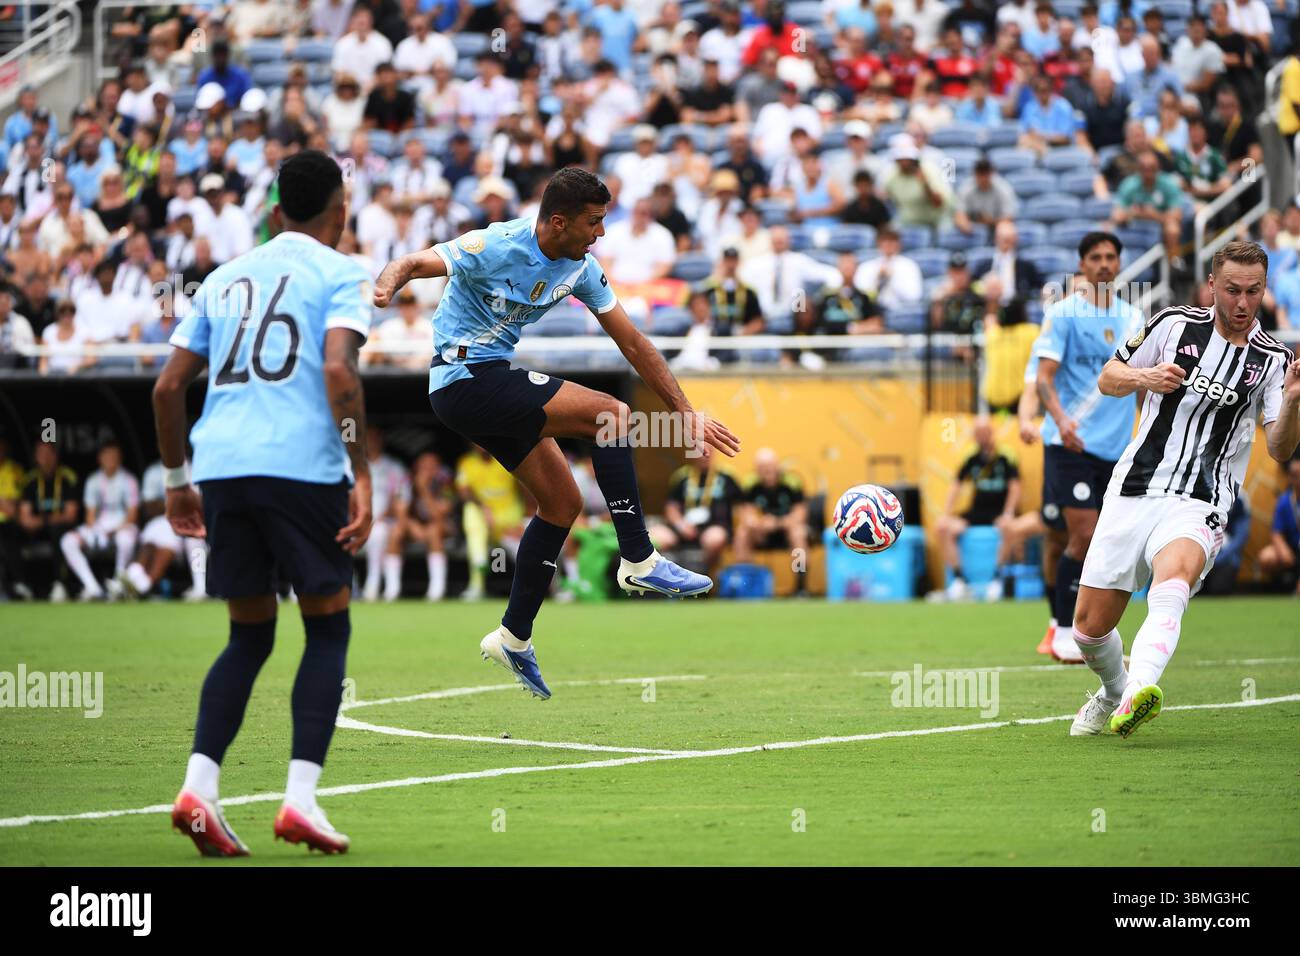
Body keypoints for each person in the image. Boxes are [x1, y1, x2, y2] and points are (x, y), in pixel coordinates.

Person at [371, 167, 739, 701]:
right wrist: (388, 284)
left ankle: (512, 637)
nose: (602, 234)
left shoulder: (581, 268)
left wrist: (683, 410)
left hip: (484, 385)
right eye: (594, 223)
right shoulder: (496, 243)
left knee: (562, 503)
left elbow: (634, 344)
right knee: (611, 414)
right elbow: (413, 261)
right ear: (559, 221)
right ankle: (638, 559)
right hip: (465, 378)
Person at [154, 150, 375, 856]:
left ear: (275, 211)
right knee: (328, 630)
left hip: (221, 468)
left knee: (248, 635)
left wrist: (174, 481)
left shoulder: (222, 277)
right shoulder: (343, 272)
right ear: (340, 211)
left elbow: (166, 388)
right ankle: (301, 801)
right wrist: (361, 469)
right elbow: (338, 369)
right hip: (302, 467)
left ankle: (198, 789)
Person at [1068, 241, 1299, 737]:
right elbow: (1109, 378)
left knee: (1172, 580)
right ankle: (1114, 690)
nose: (1242, 302)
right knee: (1087, 629)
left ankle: (1139, 693)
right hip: (1134, 487)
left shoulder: (1273, 360)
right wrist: (1144, 376)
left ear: (1264, 291)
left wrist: (1295, 402)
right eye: (1232, 290)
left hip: (1201, 498)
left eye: (1253, 291)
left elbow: (1280, 448)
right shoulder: (1172, 324)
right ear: (1212, 286)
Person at [1034, 232, 1145, 663]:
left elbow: (1141, 382)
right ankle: (1063, 629)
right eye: (1095, 257)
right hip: (1070, 444)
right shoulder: (1063, 314)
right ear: (1082, 264)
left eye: (1110, 257)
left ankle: (1094, 630)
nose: (1103, 264)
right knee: (1081, 534)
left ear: (1119, 263)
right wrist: (1061, 422)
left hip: (1116, 448)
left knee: (1105, 541)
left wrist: (1146, 433)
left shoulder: (1134, 319)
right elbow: (1044, 377)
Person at [933, 418, 1022, 602]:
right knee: (942, 528)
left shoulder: (1006, 455)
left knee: (1009, 528)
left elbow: (1015, 486)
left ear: (992, 433)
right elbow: (956, 485)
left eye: (985, 432)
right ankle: (959, 581)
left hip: (998, 512)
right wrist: (946, 514)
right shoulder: (971, 456)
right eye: (977, 433)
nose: (981, 437)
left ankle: (996, 581)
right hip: (976, 511)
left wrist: (1008, 513)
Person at [58, 441, 139, 601]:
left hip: (122, 527)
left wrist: (113, 531)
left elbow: (132, 516)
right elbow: (90, 515)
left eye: (114, 456)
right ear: (100, 458)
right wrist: (96, 531)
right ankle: (92, 586)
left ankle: (118, 584)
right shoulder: (93, 480)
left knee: (125, 539)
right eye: (107, 456)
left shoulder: (129, 480)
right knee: (68, 541)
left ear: (120, 458)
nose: (110, 459)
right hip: (99, 528)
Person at [119, 459, 207, 601]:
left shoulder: (194, 469)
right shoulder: (154, 471)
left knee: (193, 540)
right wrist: (176, 504)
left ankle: (200, 586)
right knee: (152, 539)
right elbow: (149, 506)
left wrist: (172, 504)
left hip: (191, 522)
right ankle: (137, 578)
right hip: (163, 520)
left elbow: (198, 504)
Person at [653, 453, 746, 575]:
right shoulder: (682, 476)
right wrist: (680, 524)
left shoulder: (726, 475)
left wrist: (740, 528)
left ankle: (704, 577)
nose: (704, 456)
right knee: (655, 536)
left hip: (713, 528)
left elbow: (743, 505)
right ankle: (665, 579)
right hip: (684, 528)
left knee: (714, 538)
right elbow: (671, 507)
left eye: (707, 451)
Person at [734, 449, 810, 595]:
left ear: (777, 465)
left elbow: (800, 514)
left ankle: (800, 587)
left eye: (769, 466)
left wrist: (776, 523)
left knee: (799, 533)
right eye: (762, 468)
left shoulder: (792, 482)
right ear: (756, 469)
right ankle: (746, 585)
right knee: (742, 532)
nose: (766, 471)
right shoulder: (750, 484)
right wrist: (758, 523)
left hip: (786, 530)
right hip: (762, 532)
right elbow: (746, 514)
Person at [17, 440, 80, 601]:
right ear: (35, 457)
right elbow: (25, 517)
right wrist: (40, 521)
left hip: (59, 528)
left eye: (48, 454)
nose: (45, 458)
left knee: (58, 531)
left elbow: (70, 515)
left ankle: (61, 584)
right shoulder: (30, 480)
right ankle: (20, 585)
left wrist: (42, 520)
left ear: (56, 455)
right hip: (37, 529)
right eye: (41, 454)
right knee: (9, 531)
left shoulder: (67, 477)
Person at [1258, 456, 1300, 595]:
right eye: (1294, 476)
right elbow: (1276, 532)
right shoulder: (1284, 500)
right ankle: (1280, 586)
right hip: (1293, 548)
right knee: (1266, 557)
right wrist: (1283, 551)